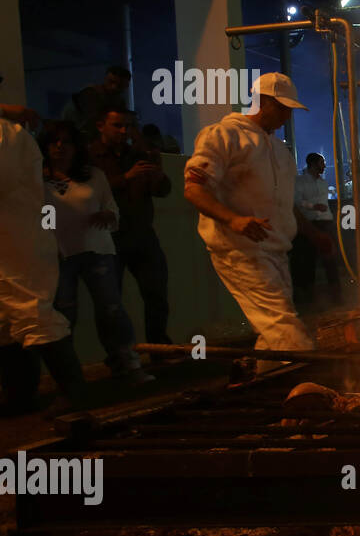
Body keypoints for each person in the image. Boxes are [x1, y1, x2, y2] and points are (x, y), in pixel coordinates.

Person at [183, 72, 326, 364]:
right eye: (282, 107)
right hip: (240, 251)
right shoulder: (223, 135)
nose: (287, 116)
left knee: (273, 329)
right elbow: (193, 189)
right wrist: (233, 220)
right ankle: (311, 380)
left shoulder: (280, 151)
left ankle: (263, 376)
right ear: (262, 101)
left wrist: (314, 235)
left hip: (276, 250)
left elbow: (285, 205)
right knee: (286, 329)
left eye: (290, 109)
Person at [40, 121, 153, 384]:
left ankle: (127, 363)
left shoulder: (93, 175)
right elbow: (39, 218)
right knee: (64, 314)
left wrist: (107, 215)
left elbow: (112, 208)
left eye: (66, 142)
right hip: (59, 254)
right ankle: (68, 378)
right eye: (54, 142)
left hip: (96, 249)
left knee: (111, 308)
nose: (60, 147)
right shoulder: (37, 180)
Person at [0, 104, 87, 413]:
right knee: (5, 321)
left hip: (18, 240)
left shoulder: (6, 133)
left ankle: (74, 392)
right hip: (9, 240)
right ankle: (20, 395)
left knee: (32, 311)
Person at [89, 106, 173, 344]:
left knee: (156, 293)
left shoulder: (136, 154)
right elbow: (87, 193)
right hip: (107, 238)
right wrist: (125, 178)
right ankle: (119, 354)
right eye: (117, 125)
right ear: (100, 126)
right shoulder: (90, 156)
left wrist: (158, 175)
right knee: (110, 301)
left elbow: (162, 191)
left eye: (128, 126)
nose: (124, 131)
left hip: (141, 234)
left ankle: (158, 347)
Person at [290, 153, 341, 308]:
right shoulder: (299, 181)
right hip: (309, 223)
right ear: (312, 164)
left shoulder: (323, 183)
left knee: (330, 259)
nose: (324, 166)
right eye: (321, 163)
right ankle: (309, 297)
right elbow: (296, 201)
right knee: (308, 260)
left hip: (326, 222)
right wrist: (313, 206)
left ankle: (336, 296)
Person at [63, 65, 131, 142]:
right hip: (77, 136)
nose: (114, 87)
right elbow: (93, 120)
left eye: (120, 85)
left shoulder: (119, 100)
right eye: (111, 82)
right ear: (106, 79)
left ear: (126, 85)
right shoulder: (91, 93)